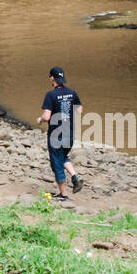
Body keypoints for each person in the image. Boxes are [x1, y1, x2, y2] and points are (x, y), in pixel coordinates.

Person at [37, 66, 83, 200]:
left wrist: (40, 120)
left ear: (52, 78)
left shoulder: (50, 95)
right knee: (63, 156)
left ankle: (64, 195)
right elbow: (79, 110)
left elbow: (46, 117)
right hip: (69, 133)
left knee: (56, 162)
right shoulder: (72, 93)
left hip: (56, 135)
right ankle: (75, 176)